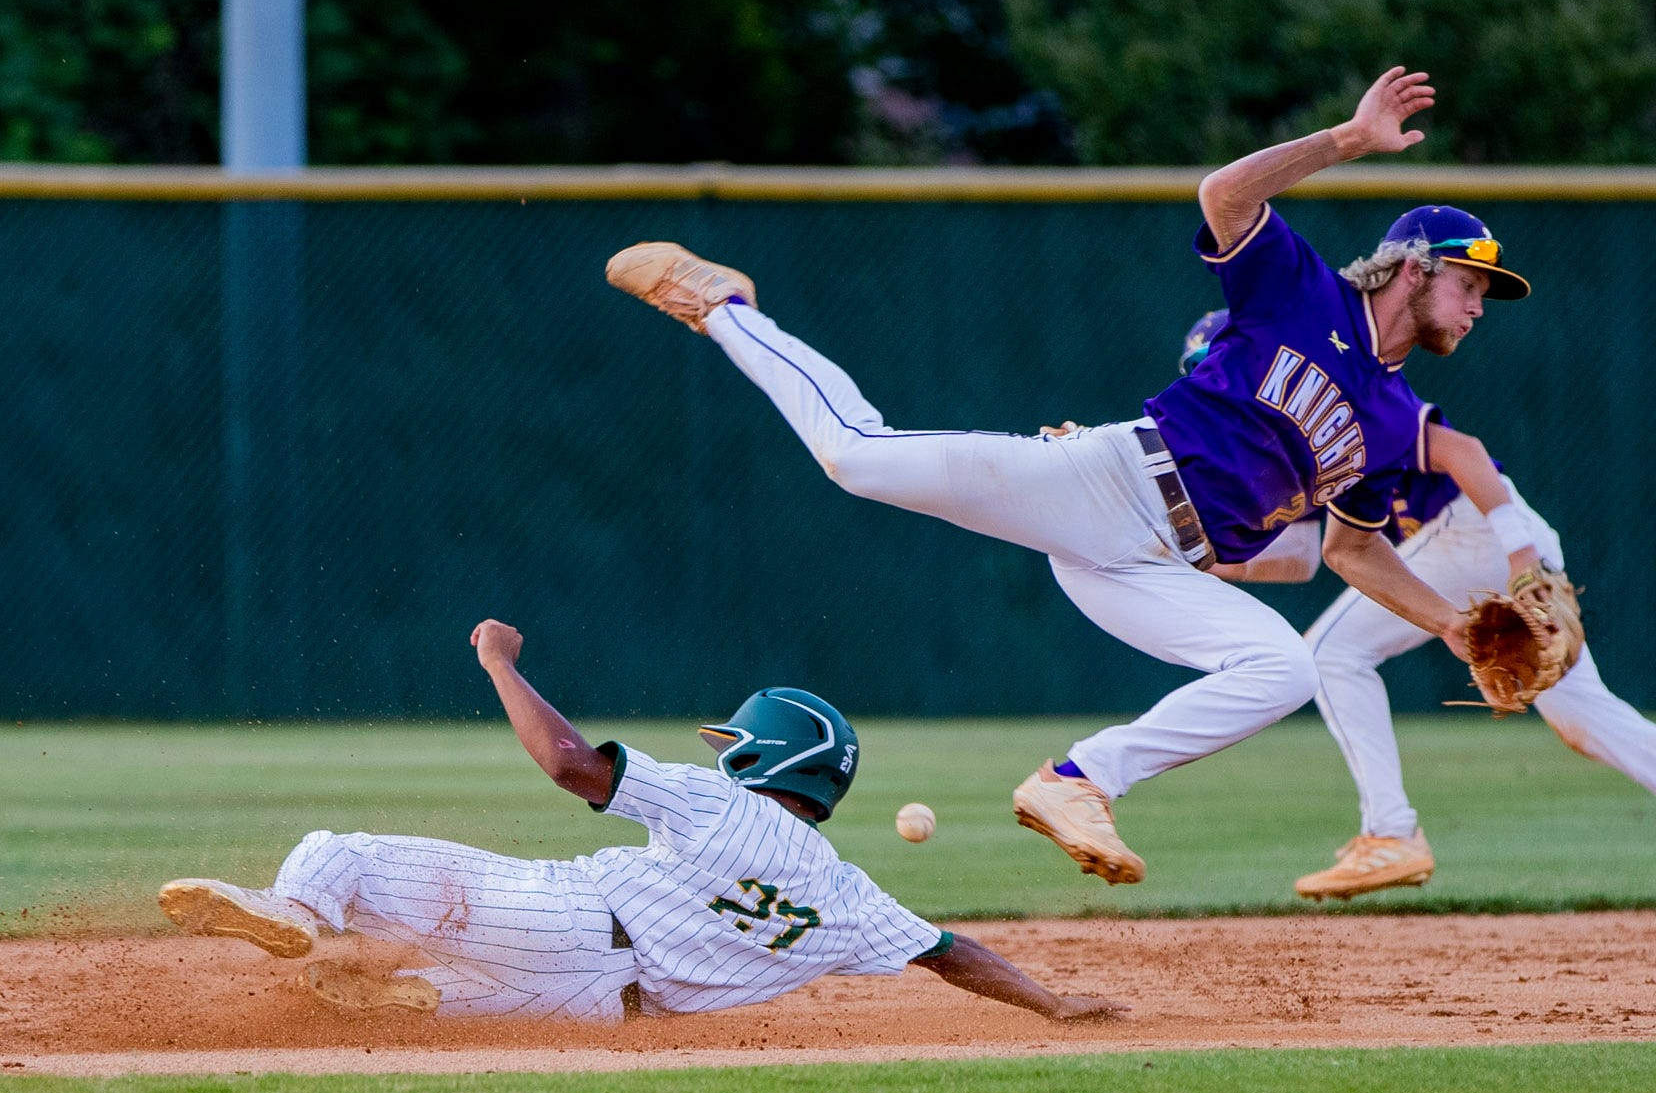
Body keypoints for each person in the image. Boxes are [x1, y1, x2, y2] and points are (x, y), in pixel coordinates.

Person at [606, 67, 1531, 887]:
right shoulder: (1304, 290)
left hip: (1157, 567)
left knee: (1284, 667)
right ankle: (723, 306)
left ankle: (1077, 781)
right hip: (1113, 479)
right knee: (854, 454)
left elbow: (1352, 552)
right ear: (1413, 267)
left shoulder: (1391, 419)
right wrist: (1347, 140)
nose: (1479, 306)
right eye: (1470, 283)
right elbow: (1223, 194)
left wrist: (1450, 624)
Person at [1169, 310, 1656, 932]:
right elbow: (1297, 556)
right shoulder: (1292, 450)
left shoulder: (1342, 398)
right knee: (1588, 720)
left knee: (1331, 654)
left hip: (1476, 532)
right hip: (1484, 543)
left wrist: (1519, 557)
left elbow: (1465, 452)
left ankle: (1390, 832)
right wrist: (1187, 560)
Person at [158, 619, 1128, 1022]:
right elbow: (951, 953)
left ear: (767, 756)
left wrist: (498, 663)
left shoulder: (719, 800)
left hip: (561, 917)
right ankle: (400, 989)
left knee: (347, 854)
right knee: (386, 1005)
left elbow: (570, 764)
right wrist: (1053, 1003)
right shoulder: (850, 897)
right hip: (597, 1010)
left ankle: (295, 911)